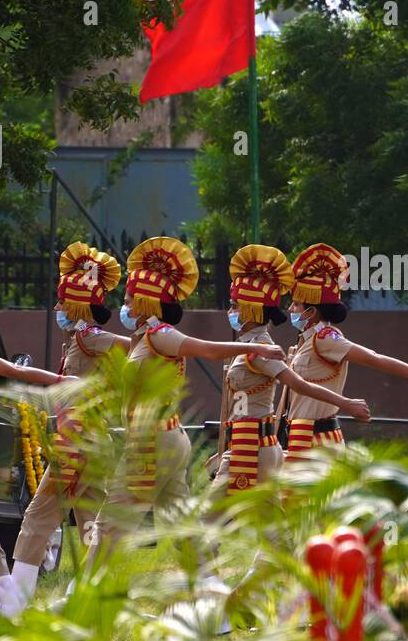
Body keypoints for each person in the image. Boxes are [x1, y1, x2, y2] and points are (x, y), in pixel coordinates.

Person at [82, 237, 290, 573]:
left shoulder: (161, 334)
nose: (125, 304)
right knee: (186, 532)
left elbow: (204, 348)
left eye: (130, 297)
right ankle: (212, 600)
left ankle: (84, 599)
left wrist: (259, 351)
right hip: (163, 438)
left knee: (112, 519)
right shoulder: (144, 337)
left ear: (146, 302)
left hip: (153, 442)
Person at [2, 242, 129, 617]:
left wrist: (151, 345)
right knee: (92, 521)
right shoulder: (77, 338)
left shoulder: (88, 336)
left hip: (77, 441)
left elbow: (129, 346)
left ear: (74, 304)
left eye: (60, 303)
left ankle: (13, 605)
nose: (56, 309)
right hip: (92, 440)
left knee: (38, 517)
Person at [211, 244, 370, 494]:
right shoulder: (251, 346)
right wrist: (224, 449)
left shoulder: (265, 347)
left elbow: (299, 385)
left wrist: (346, 403)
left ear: (250, 308)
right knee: (274, 522)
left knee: (212, 517)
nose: (230, 312)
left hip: (260, 443)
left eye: (235, 305)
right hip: (249, 440)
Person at [280, 243, 408, 457]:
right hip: (299, 433)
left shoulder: (326, 338)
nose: (291, 309)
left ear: (311, 311)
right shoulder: (304, 342)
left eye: (296, 305)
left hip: (317, 438)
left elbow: (373, 358)